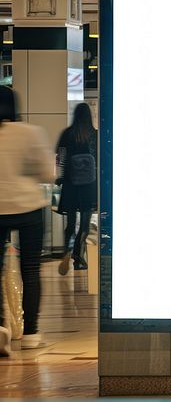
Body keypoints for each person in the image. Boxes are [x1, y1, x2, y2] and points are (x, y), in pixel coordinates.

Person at [0, 86, 54, 354]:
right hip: (29, 207)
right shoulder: (30, 133)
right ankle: (31, 332)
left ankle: (1, 329)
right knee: (31, 270)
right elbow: (48, 173)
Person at [55, 103, 98, 275]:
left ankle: (66, 250)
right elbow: (100, 159)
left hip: (71, 183)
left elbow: (61, 158)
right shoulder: (94, 135)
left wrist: (62, 176)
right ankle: (78, 257)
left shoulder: (67, 133)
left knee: (71, 223)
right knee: (85, 224)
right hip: (89, 184)